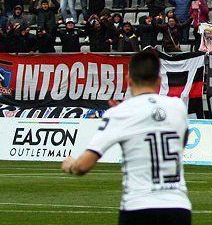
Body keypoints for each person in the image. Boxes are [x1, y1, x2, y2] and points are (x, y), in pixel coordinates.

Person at [61, 50, 191, 225]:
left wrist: (70, 165)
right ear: (159, 81)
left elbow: (83, 166)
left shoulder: (120, 113)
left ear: (128, 80)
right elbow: (181, 142)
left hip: (138, 207)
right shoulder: (177, 107)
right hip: (178, 208)